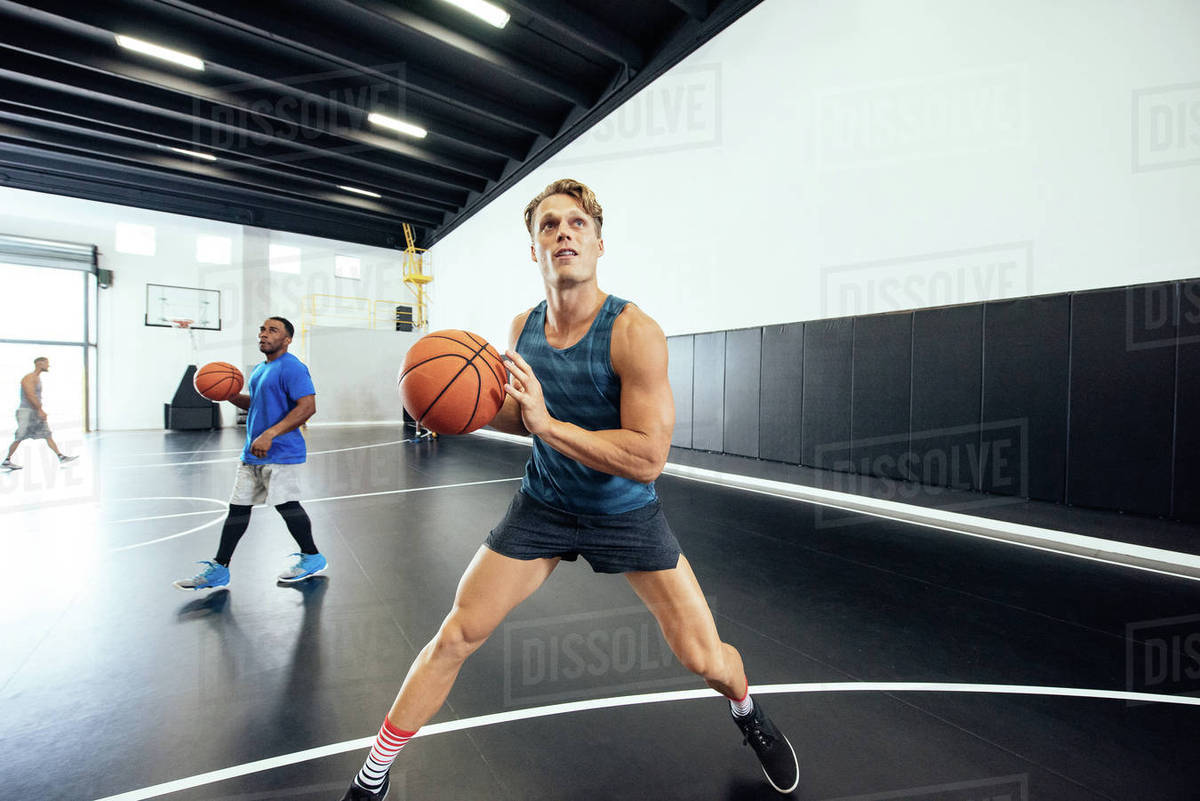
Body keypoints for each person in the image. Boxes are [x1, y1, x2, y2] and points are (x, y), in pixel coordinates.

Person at [337, 180, 799, 799]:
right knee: (456, 634)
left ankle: (748, 712)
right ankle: (372, 775)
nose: (563, 233)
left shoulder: (634, 332)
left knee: (705, 659)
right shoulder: (522, 328)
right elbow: (519, 415)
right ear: (534, 250)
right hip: (545, 506)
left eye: (577, 223)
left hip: (624, 512)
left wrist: (549, 425)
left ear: (599, 244)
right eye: (549, 225)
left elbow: (647, 458)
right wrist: (458, 409)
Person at [173, 316, 328, 590]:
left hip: (281, 452)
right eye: (262, 329)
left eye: (273, 330)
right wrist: (230, 395)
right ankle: (220, 568)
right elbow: (257, 403)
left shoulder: (293, 367)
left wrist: (270, 434)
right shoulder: (259, 370)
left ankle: (313, 556)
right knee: (238, 509)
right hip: (252, 453)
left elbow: (307, 407)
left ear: (287, 339)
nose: (264, 334)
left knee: (287, 505)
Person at [3, 356, 77, 470]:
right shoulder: (29, 378)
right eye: (46, 363)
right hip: (26, 412)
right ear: (39, 364)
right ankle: (7, 461)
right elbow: (30, 395)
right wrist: (40, 410)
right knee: (20, 437)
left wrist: (38, 411)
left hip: (35, 412)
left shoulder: (36, 378)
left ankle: (61, 457)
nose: (48, 366)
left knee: (47, 434)